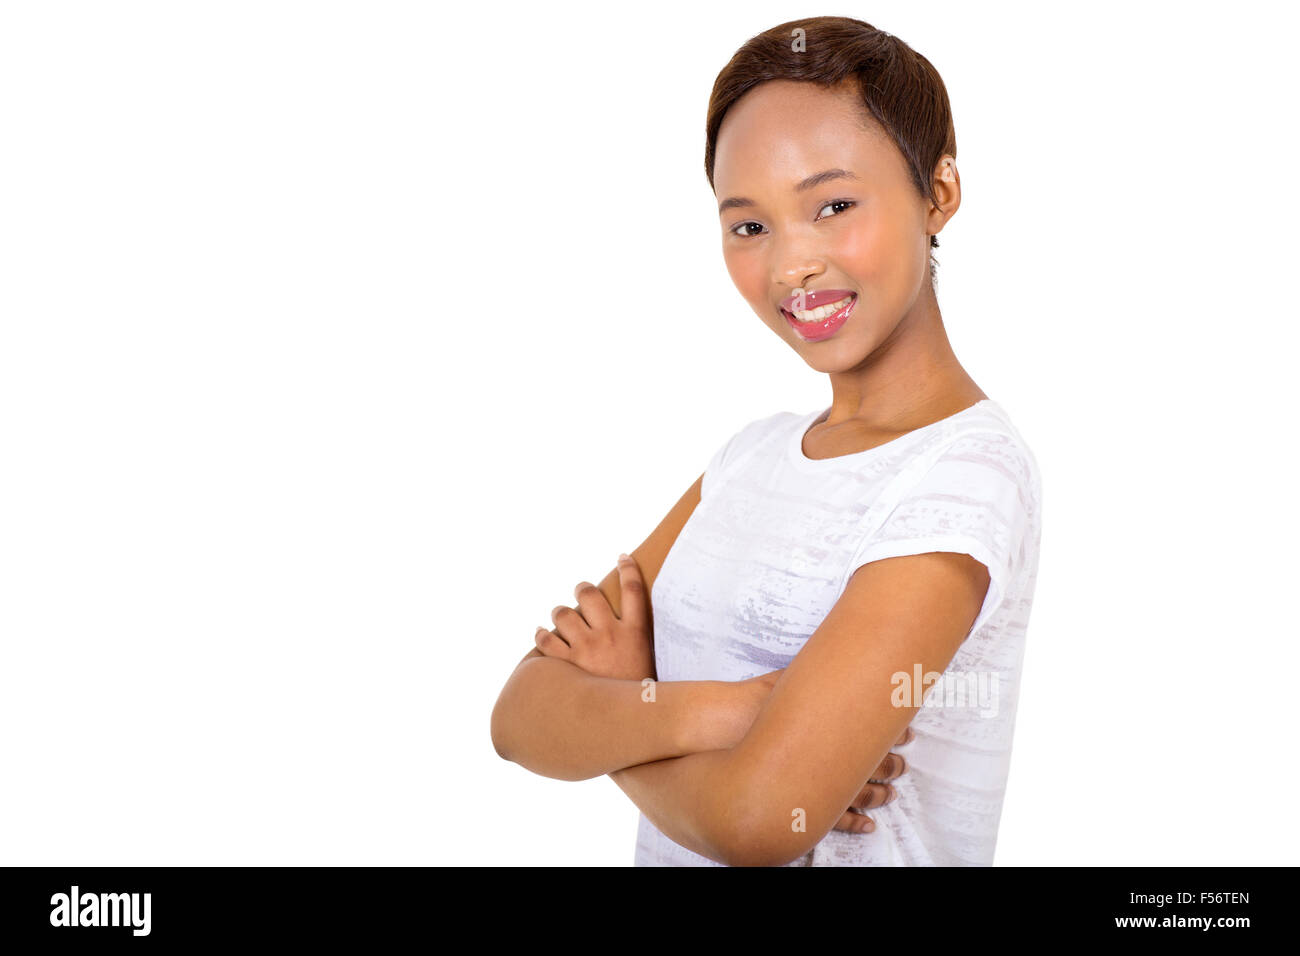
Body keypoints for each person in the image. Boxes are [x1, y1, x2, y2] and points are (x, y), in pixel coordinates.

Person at [490, 16, 1042, 867]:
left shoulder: (965, 473)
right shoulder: (749, 458)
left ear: (940, 191)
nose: (792, 265)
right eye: (749, 226)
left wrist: (615, 720)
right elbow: (519, 718)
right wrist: (731, 713)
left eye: (833, 206)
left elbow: (759, 821)